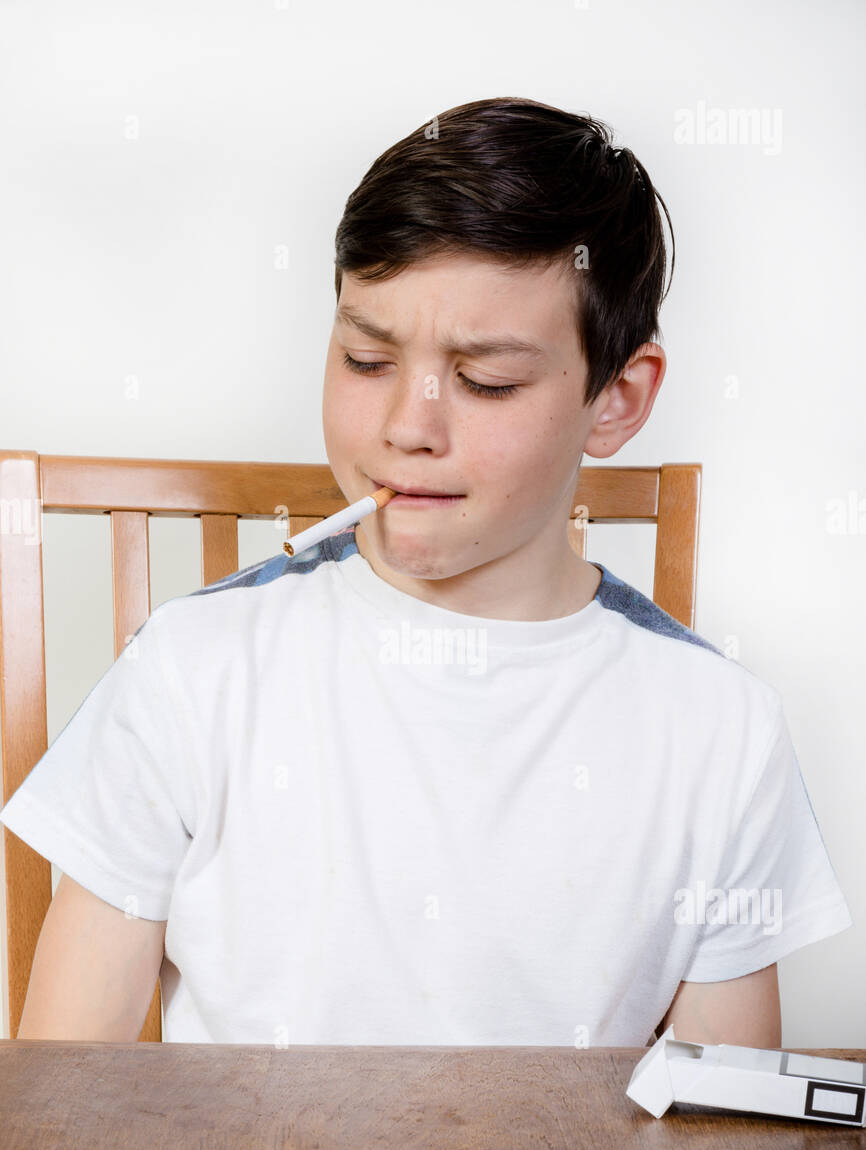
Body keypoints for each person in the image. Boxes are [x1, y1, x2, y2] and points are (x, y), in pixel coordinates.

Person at [0, 96, 852, 1046]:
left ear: (617, 399)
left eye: (487, 382)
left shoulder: (718, 728)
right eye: (366, 360)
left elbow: (724, 1145)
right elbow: (65, 1104)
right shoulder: (192, 671)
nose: (408, 428)